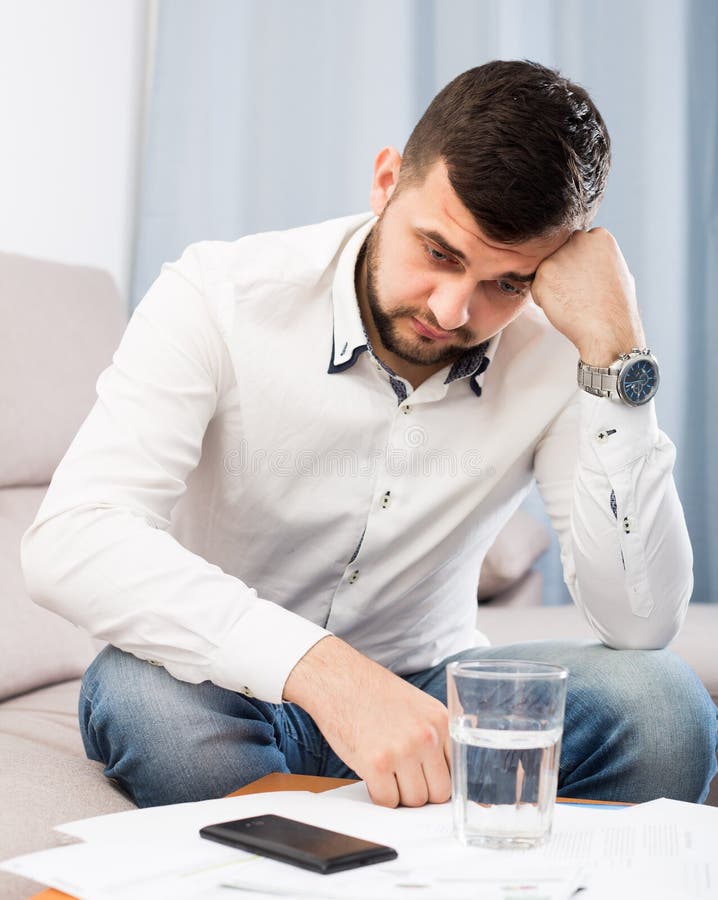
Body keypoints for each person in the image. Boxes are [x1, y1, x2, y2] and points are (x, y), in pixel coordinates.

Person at [22, 60, 717, 810]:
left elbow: (639, 622)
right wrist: (328, 676)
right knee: (141, 697)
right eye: (440, 253)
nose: (454, 310)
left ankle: (337, 844)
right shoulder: (218, 296)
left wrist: (618, 360)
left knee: (664, 708)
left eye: (505, 283)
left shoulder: (558, 351)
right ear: (386, 181)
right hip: (228, 687)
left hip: (433, 697)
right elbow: (74, 538)